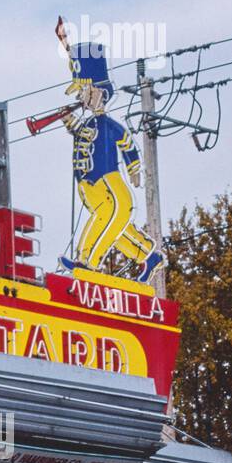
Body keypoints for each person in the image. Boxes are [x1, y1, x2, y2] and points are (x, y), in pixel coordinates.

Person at [57, 39, 164, 283]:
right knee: (118, 231)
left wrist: (134, 168)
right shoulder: (89, 124)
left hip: (110, 184)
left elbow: (126, 142)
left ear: (99, 92)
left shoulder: (106, 124)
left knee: (107, 222)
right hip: (92, 187)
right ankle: (149, 257)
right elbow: (83, 136)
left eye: (85, 92)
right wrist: (69, 122)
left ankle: (88, 263)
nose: (82, 97)